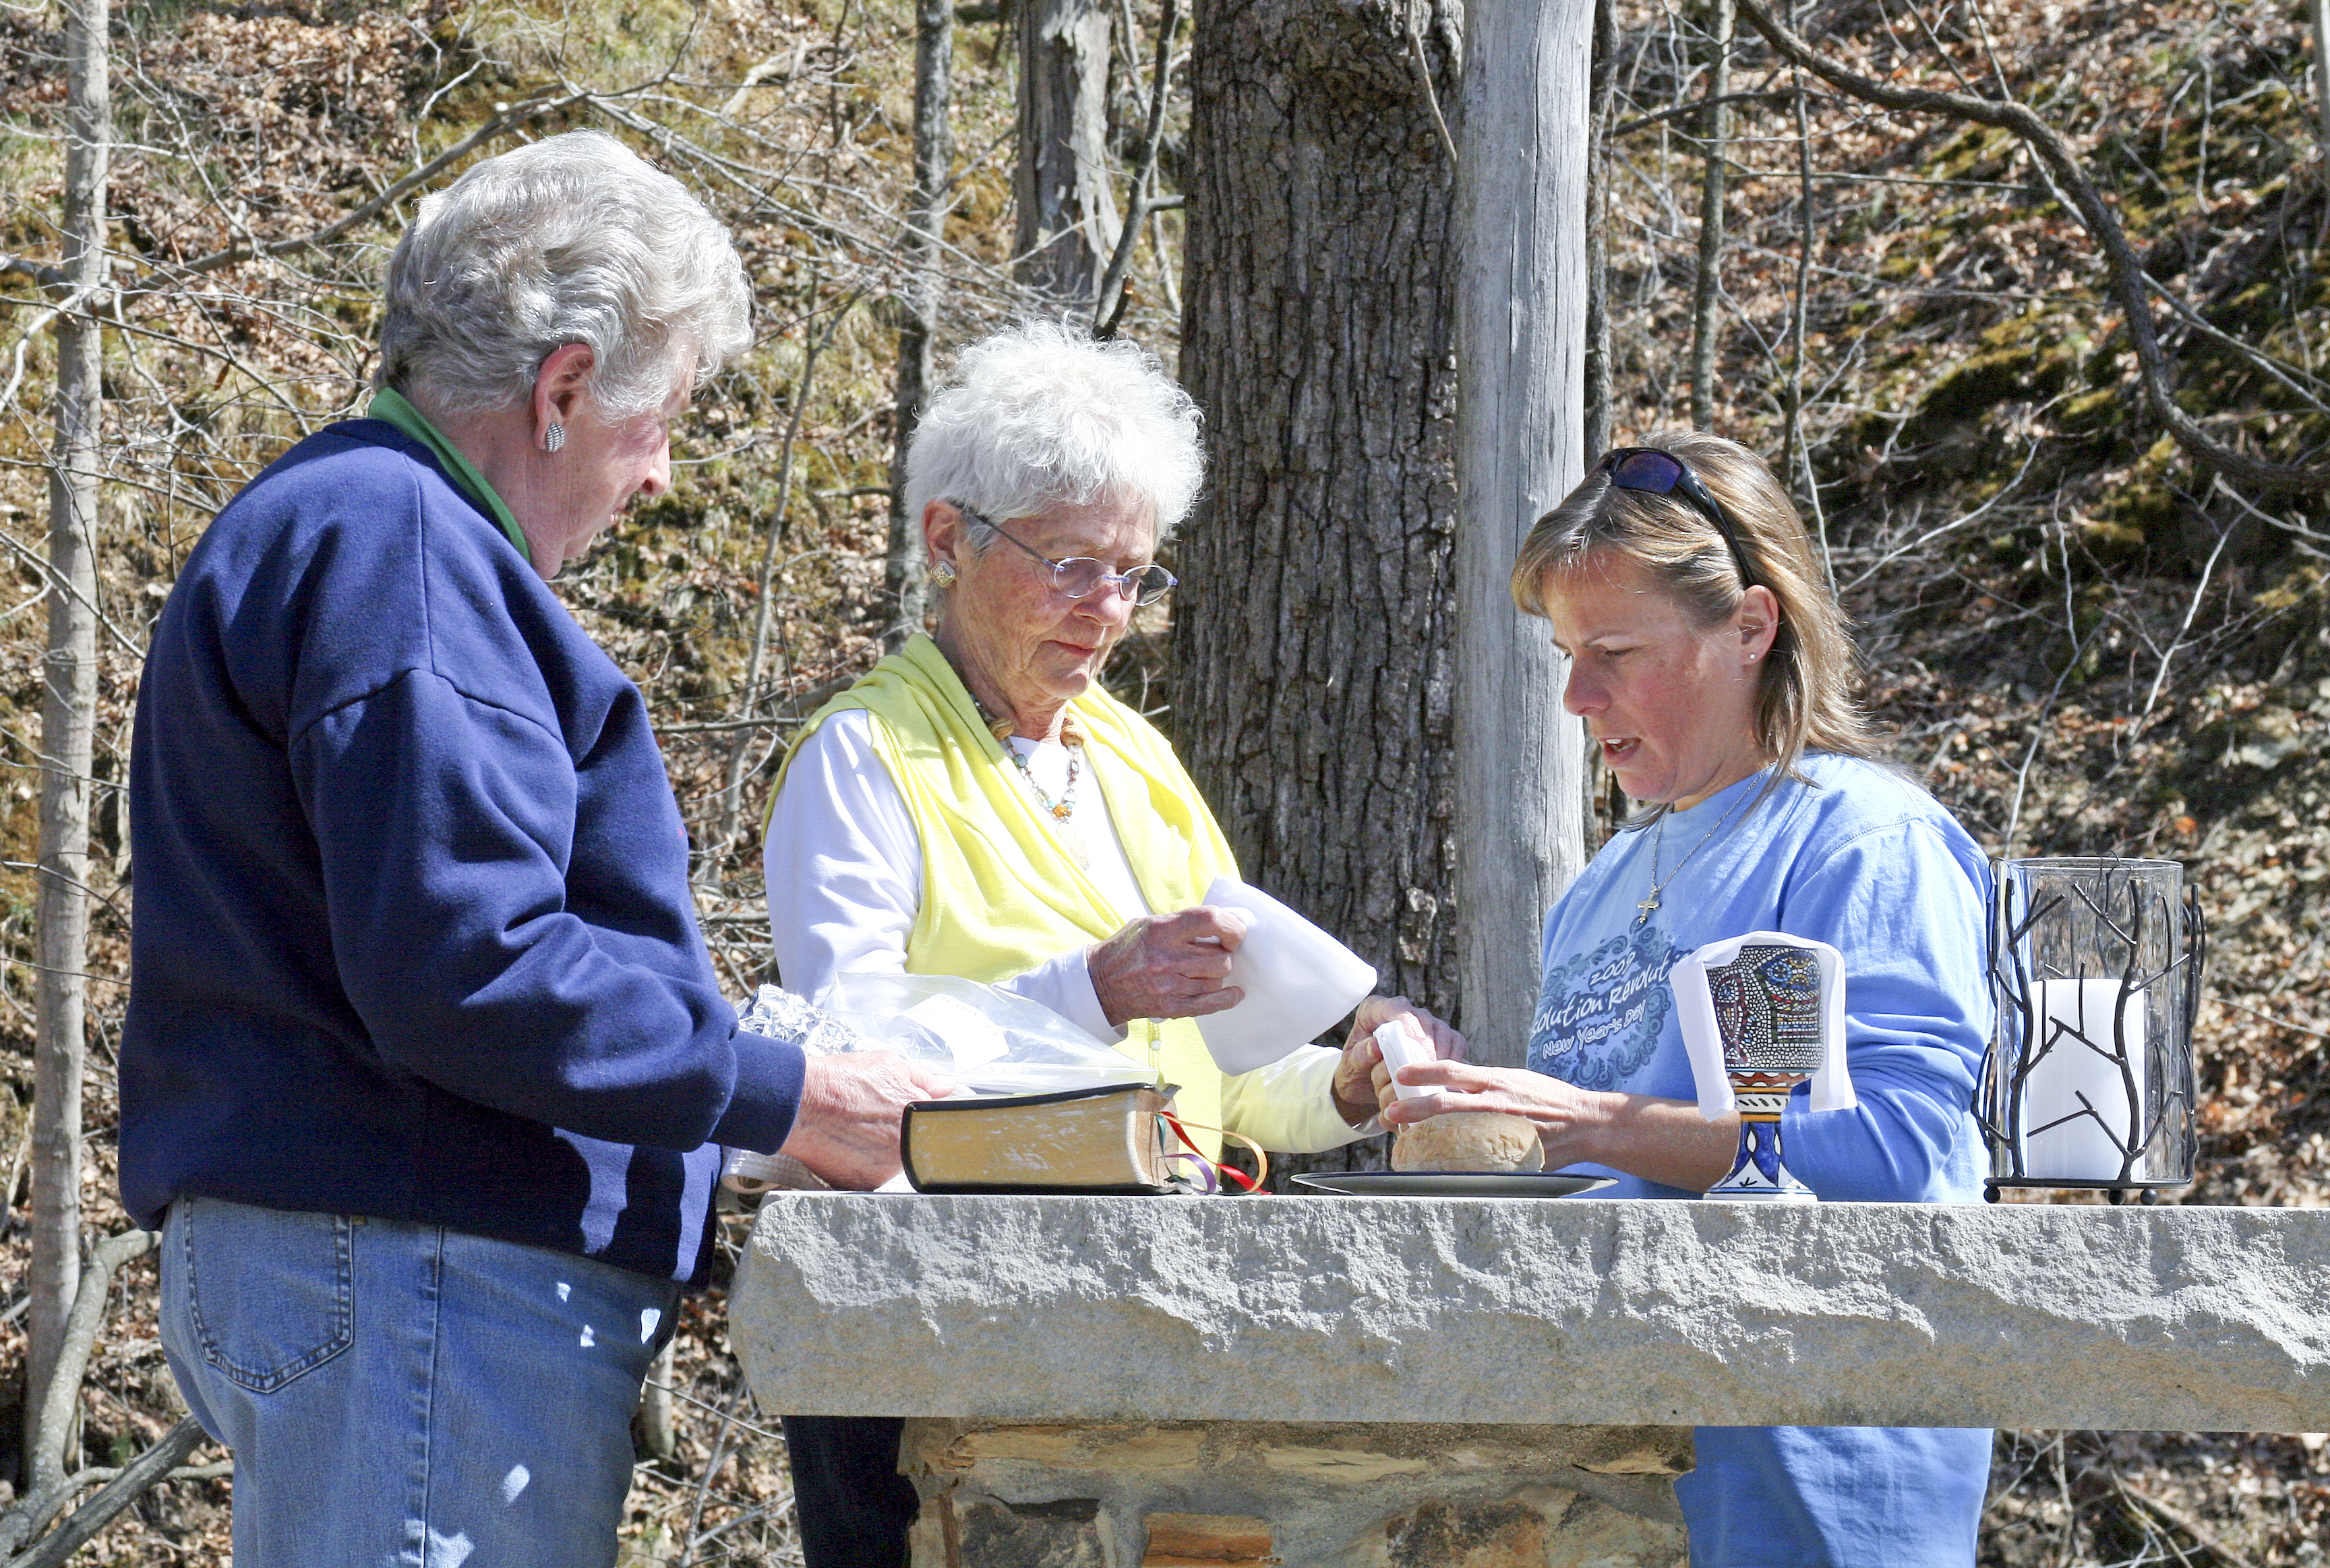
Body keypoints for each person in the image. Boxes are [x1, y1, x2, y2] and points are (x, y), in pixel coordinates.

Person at [119, 131, 941, 1568]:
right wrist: (784, 1092)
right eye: (662, 418)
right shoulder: (406, 550)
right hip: (424, 1282)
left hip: (395, 1274)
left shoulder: (362, 531)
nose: (661, 473)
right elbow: (473, 962)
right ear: (563, 389)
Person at [761, 320, 1458, 1567]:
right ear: (947, 540)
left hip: (1144, 1324)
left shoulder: (1136, 758)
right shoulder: (864, 756)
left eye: (1136, 575)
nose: (1110, 612)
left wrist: (1349, 1091)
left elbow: (1220, 1077)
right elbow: (843, 1061)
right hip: (933, 1339)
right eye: (1074, 565)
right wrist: (1090, 988)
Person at [1380, 433, 1993, 1567]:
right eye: (1568, 654)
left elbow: (1894, 1152)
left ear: (1752, 627)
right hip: (1604, 1487)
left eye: (1614, 652)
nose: (1577, 695)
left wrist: (1589, 1121)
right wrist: (1452, 1097)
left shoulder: (1864, 839)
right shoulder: (1601, 885)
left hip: (1813, 1485)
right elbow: (1606, 1173)